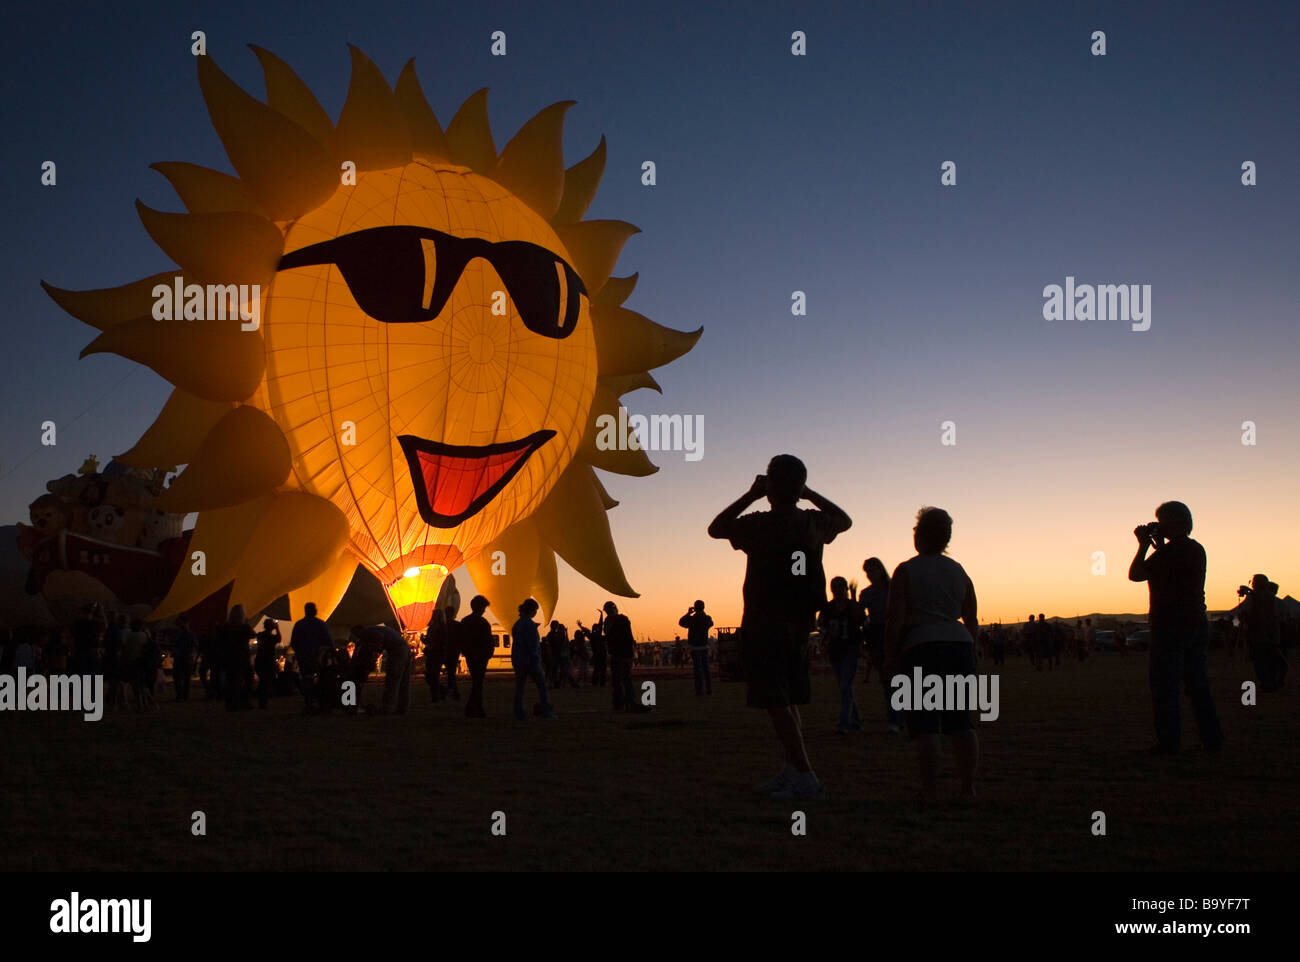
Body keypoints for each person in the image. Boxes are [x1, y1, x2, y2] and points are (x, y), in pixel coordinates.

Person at [708, 454, 851, 800]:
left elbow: (716, 528)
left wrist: (750, 495)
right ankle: (793, 769)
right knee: (788, 699)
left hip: (764, 620)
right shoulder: (812, 524)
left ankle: (804, 774)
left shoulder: (759, 525)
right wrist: (808, 492)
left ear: (769, 486)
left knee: (774, 698)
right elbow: (844, 521)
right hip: (800, 622)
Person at [883, 507, 979, 801]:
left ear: (919, 535)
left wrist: (890, 657)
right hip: (959, 646)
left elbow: (895, 619)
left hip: (922, 648)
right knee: (961, 724)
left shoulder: (906, 570)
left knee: (925, 727)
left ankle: (930, 790)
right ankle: (967, 788)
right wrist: (972, 651)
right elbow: (971, 618)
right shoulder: (959, 571)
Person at [1127, 501, 1224, 754]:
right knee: (1197, 684)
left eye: (1162, 520)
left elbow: (1136, 573)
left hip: (1169, 624)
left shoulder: (1172, 551)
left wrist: (1143, 545)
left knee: (1164, 685)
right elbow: (1167, 569)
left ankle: (1169, 742)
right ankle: (1212, 739)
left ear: (1174, 521)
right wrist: (1158, 545)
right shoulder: (1193, 549)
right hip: (1195, 622)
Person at [858, 557, 903, 732]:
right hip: (878, 636)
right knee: (887, 679)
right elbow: (860, 616)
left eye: (872, 571)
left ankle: (899, 717)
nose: (869, 575)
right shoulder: (867, 593)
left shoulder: (894, 589)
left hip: (896, 633)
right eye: (867, 572)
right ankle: (895, 718)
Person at [820, 577, 865, 733]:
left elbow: (861, 621)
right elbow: (823, 627)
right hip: (836, 650)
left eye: (840, 587)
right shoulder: (828, 608)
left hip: (850, 649)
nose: (838, 590)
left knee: (845, 686)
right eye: (835, 587)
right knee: (845, 687)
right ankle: (856, 721)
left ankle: (844, 724)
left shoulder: (852, 605)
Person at [1242, 574, 1287, 692]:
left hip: (1257, 635)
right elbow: (1281, 617)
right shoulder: (1273, 599)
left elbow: (1246, 612)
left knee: (1260, 661)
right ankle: (1273, 681)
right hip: (1272, 635)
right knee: (1272, 660)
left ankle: (1267, 683)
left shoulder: (1253, 598)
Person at [512, 599, 555, 720]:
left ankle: (518, 712)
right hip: (530, 661)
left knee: (520, 687)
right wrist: (537, 659)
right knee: (542, 686)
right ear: (532, 610)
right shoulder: (529, 625)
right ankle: (546, 711)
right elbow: (532, 645)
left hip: (519, 660)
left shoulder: (517, 624)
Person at [290, 602, 332, 713]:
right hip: (318, 658)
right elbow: (329, 642)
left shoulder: (299, 624)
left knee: (306, 679)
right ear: (315, 611)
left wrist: (299, 653)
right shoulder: (320, 624)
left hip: (304, 658)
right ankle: (320, 702)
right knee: (320, 680)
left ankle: (309, 703)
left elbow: (294, 642)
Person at [460, 596, 494, 718]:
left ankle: (476, 708)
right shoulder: (483, 623)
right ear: (480, 608)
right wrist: (488, 654)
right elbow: (489, 640)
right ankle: (473, 708)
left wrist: (465, 651)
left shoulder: (465, 621)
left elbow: (461, 640)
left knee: (477, 682)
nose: (484, 610)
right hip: (480, 656)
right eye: (484, 608)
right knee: (478, 683)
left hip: (471, 655)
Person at [218, 607, 255, 711]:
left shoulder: (226, 627)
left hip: (229, 657)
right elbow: (253, 634)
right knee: (247, 679)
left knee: (231, 680)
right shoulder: (244, 627)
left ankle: (231, 703)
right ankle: (244, 701)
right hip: (242, 657)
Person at [604, 601, 639, 711]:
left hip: (624, 652)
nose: (610, 612)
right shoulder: (609, 621)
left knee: (625, 678)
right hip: (617, 653)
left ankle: (628, 701)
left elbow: (628, 635)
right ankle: (619, 702)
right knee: (618, 679)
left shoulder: (622, 619)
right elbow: (607, 633)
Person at [679, 600, 715, 695]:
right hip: (704, 646)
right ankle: (709, 689)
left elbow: (681, 622)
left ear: (695, 608)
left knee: (698, 670)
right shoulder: (707, 618)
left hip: (695, 647)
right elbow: (711, 623)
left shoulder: (692, 619)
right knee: (706, 669)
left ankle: (699, 690)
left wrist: (688, 613)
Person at [254, 619, 281, 709]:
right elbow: (279, 638)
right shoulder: (272, 638)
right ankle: (263, 702)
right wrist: (277, 628)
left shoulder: (260, 635)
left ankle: (261, 702)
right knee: (266, 682)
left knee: (263, 681)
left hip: (260, 661)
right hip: (268, 661)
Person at [172, 614, 197, 701]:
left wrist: (191, 655)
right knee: (180, 678)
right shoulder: (180, 634)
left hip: (185, 658)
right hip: (181, 658)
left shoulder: (188, 634)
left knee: (184, 678)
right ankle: (182, 695)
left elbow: (194, 646)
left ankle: (183, 695)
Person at [589, 616, 608, 687]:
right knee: (600, 669)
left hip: (599, 654)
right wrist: (601, 616)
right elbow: (600, 625)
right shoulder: (595, 635)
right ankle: (599, 682)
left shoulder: (595, 635)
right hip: (599, 654)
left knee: (599, 669)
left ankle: (597, 682)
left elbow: (600, 625)